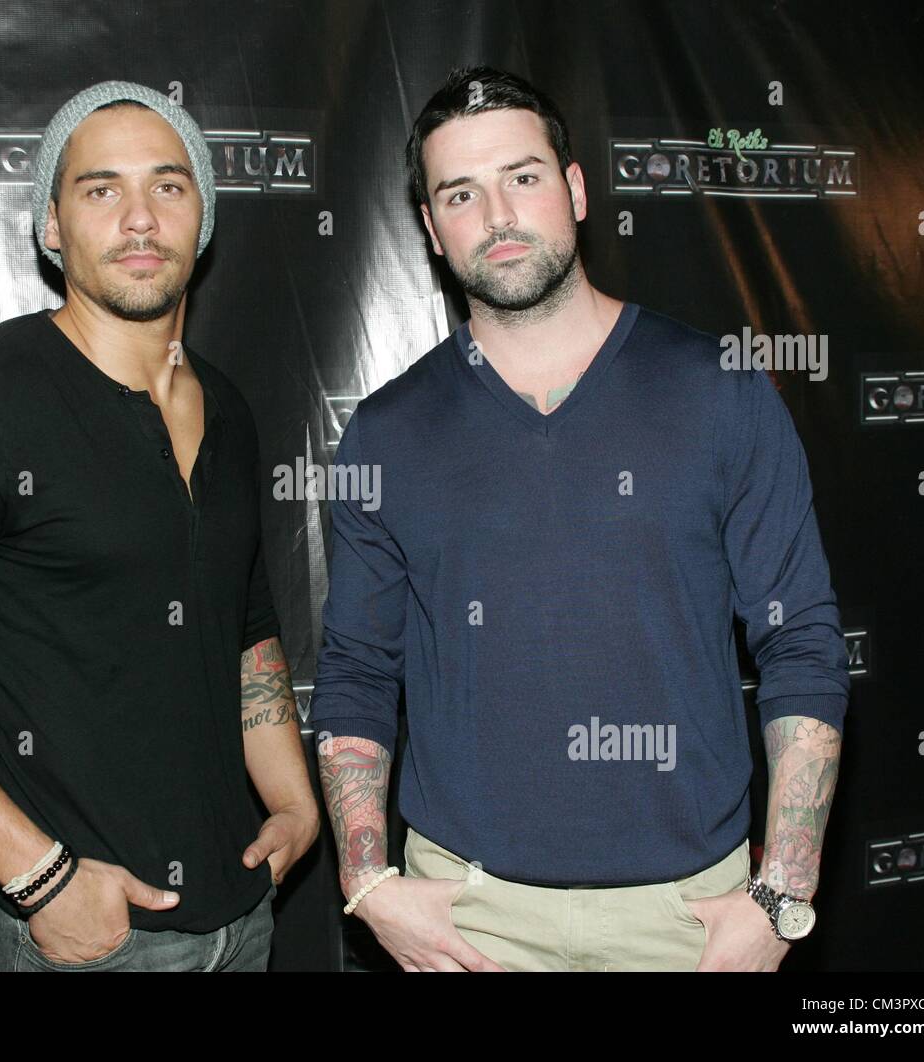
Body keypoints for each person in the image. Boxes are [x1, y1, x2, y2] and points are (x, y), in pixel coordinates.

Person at [310, 65, 848, 972]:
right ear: (434, 232)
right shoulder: (386, 434)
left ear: (575, 190)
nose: (498, 214)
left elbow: (801, 649)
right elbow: (359, 670)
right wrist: (367, 884)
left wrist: (782, 892)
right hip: (466, 919)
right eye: (461, 194)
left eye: (522, 177)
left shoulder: (720, 393)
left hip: (689, 918)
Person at [0, 80, 317, 972]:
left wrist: (294, 800)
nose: (138, 218)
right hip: (82, 944)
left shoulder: (230, 410)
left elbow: (244, 625)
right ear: (51, 225)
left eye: (168, 186)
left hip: (245, 924)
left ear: (201, 217)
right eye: (101, 189)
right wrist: (43, 880)